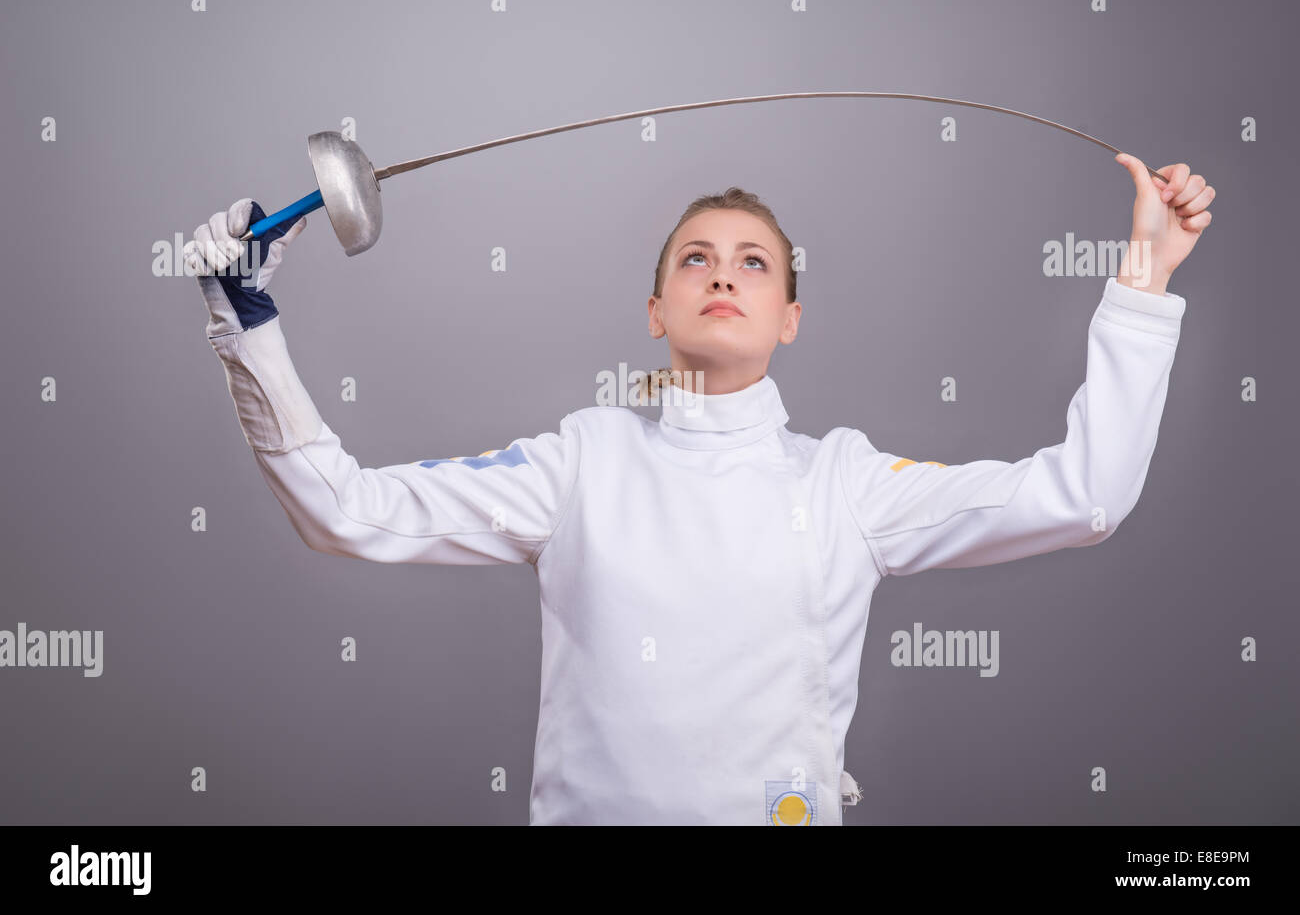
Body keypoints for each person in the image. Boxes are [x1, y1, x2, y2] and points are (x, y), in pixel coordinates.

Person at [183, 155, 1213, 825]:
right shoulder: (580, 461)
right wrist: (248, 322)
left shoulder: (846, 481)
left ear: (790, 318)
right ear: (654, 308)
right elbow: (345, 511)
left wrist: (1144, 279)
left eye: (754, 264)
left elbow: (1085, 495)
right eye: (697, 260)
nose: (723, 276)